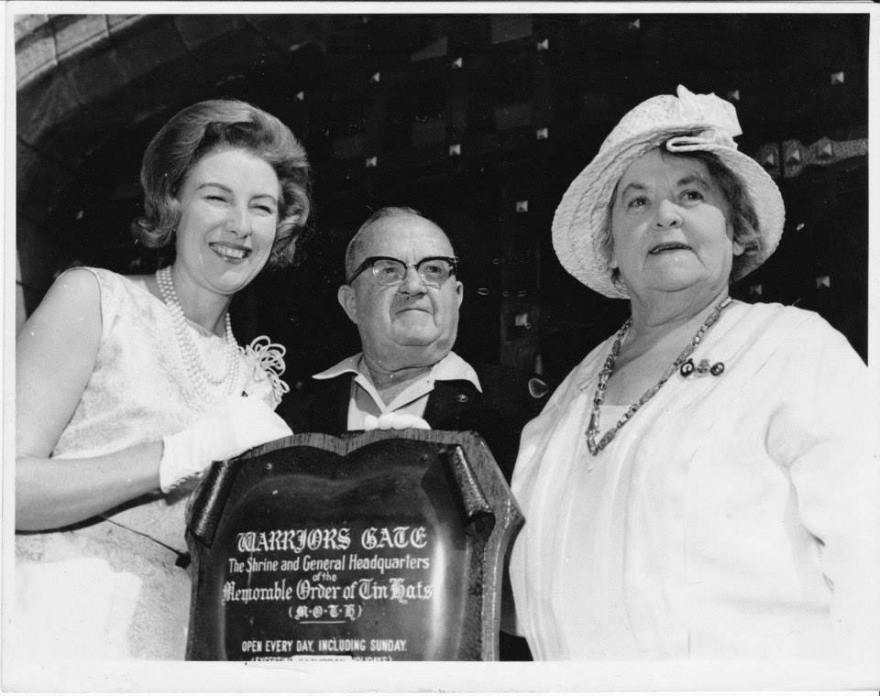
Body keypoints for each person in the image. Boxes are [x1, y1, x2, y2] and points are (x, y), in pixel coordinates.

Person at [508, 85, 880, 663]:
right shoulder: (569, 395)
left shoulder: (794, 352)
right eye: (637, 202)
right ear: (611, 248)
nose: (665, 214)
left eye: (691, 193)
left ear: (736, 229)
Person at [15, 99, 309, 660]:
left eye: (262, 207)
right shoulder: (96, 299)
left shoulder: (256, 381)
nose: (240, 225)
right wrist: (179, 454)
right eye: (216, 197)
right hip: (56, 626)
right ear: (173, 202)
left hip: (180, 646)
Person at [280, 206, 549, 485]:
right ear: (351, 303)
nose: (413, 286)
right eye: (388, 270)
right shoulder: (292, 413)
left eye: (434, 269)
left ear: (457, 296)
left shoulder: (526, 410)